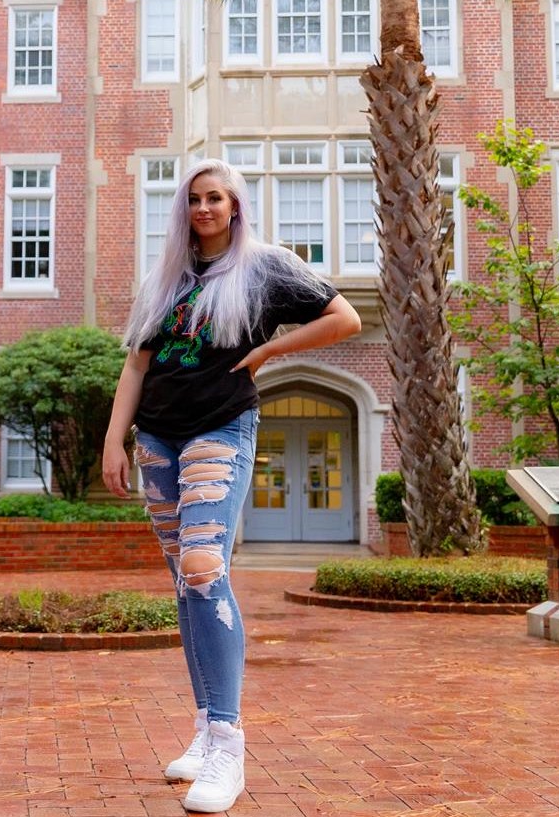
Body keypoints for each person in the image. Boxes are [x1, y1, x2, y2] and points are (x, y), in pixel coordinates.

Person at [102, 158, 361, 812]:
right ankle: (203, 725)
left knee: (202, 565)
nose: (205, 208)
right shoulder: (165, 278)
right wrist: (115, 437)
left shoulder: (265, 266)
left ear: (235, 205)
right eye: (194, 198)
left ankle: (227, 742)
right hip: (157, 436)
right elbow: (136, 365)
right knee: (185, 582)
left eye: (216, 197)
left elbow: (345, 318)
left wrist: (271, 351)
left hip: (221, 426)